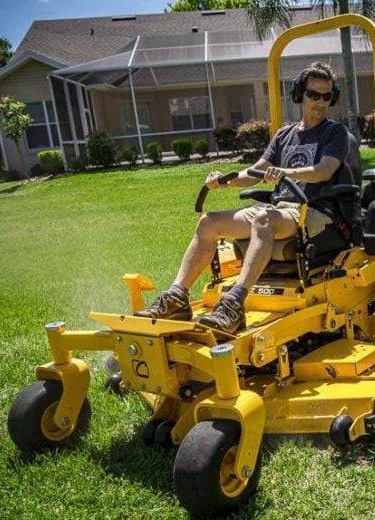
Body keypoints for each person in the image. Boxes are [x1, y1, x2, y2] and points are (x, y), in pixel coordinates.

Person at [136, 61, 350, 334]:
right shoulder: (284, 135)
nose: (320, 102)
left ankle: (234, 304)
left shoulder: (335, 133)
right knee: (208, 222)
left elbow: (323, 171)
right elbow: (255, 173)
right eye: (313, 95)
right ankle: (177, 298)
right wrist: (224, 180)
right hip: (280, 210)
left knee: (263, 218)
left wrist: (285, 172)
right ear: (300, 95)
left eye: (326, 96)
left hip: (314, 211)